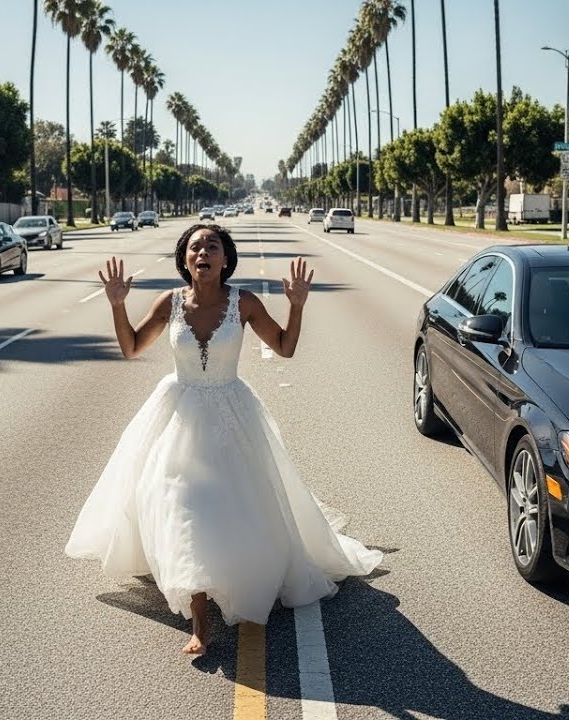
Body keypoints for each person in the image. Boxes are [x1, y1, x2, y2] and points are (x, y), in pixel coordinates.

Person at [65, 224, 382, 655]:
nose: (203, 253)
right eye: (195, 247)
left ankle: (233, 575)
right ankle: (199, 621)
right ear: (185, 259)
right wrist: (117, 306)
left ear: (225, 259)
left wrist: (297, 306)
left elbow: (284, 346)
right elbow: (132, 347)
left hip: (233, 413)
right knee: (184, 507)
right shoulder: (169, 303)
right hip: (177, 415)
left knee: (231, 507)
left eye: (212, 246)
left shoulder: (243, 302)